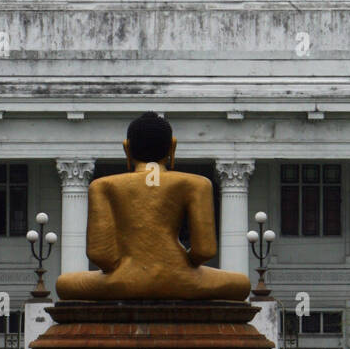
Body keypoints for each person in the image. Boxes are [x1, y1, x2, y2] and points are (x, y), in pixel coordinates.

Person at [56, 113, 251, 301]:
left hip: (122, 279)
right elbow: (205, 251)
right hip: (181, 278)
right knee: (241, 283)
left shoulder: (103, 186)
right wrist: (183, 262)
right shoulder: (197, 184)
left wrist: (125, 267)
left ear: (127, 148)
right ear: (172, 147)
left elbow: (101, 255)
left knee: (65, 283)